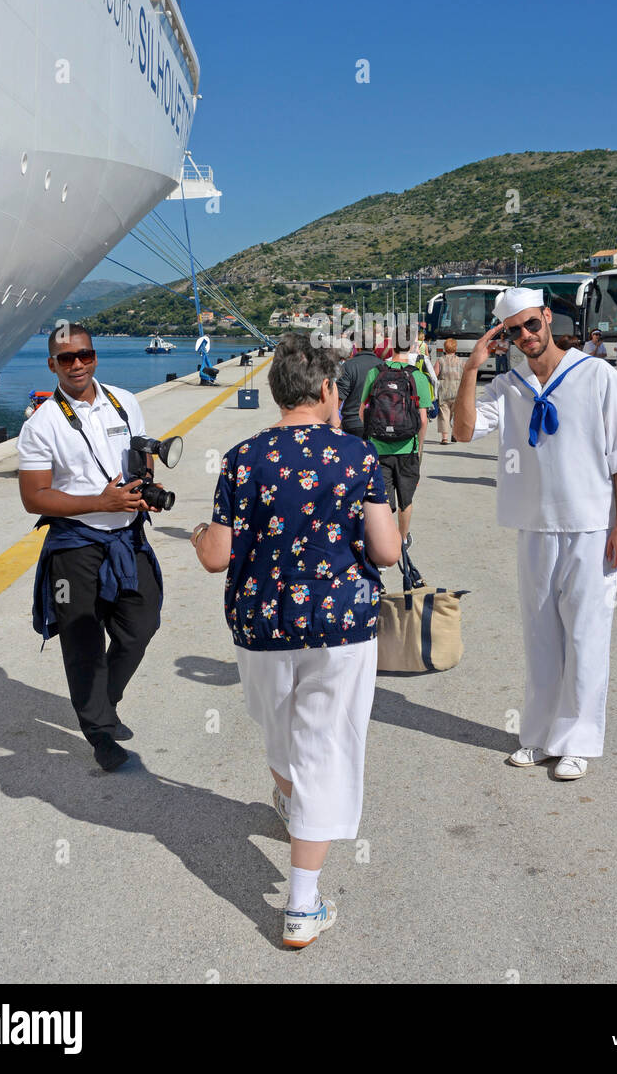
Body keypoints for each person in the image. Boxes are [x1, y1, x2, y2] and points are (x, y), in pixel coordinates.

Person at [191, 335, 401, 948]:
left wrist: (203, 531)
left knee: (282, 735)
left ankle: (289, 799)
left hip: (262, 627)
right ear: (329, 390)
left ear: (277, 390)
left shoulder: (240, 458)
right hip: (339, 627)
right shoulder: (358, 457)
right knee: (324, 749)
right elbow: (386, 551)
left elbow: (216, 557)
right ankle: (302, 907)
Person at [453, 287, 617, 781]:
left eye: (531, 324)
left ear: (547, 317)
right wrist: (472, 367)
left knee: (586, 634)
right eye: (513, 331)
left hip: (590, 526)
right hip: (534, 527)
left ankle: (577, 740)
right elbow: (465, 430)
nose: (526, 336)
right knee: (540, 637)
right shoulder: (508, 384)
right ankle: (538, 736)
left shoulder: (596, 374)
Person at [17, 323, 163, 773]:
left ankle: (105, 700)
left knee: (141, 623)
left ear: (94, 356)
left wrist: (146, 486)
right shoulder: (41, 424)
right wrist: (98, 502)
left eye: (84, 355)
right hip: (75, 544)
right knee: (82, 639)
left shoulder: (125, 402)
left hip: (126, 535)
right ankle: (100, 733)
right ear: (52, 365)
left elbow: (142, 457)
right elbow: (33, 497)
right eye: (66, 359)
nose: (77, 364)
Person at [358, 333, 431, 550]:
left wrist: (372, 433)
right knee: (405, 499)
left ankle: (383, 540)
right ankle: (402, 539)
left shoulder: (376, 372)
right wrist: (420, 448)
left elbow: (363, 410)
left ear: (391, 346)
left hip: (379, 446)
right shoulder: (418, 376)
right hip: (408, 447)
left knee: (383, 499)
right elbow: (423, 420)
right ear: (411, 347)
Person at [335, 337, 381, 438]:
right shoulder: (383, 366)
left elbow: (339, 397)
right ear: (375, 347)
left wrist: (335, 422)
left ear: (358, 347)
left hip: (352, 422)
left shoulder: (348, 366)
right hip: (376, 422)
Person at [434, 337, 463, 443]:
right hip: (457, 390)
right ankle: (455, 434)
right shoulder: (461, 361)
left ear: (445, 349)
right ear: (455, 349)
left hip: (444, 390)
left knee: (444, 413)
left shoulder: (440, 361)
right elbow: (465, 376)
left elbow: (434, 375)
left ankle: (444, 437)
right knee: (456, 414)